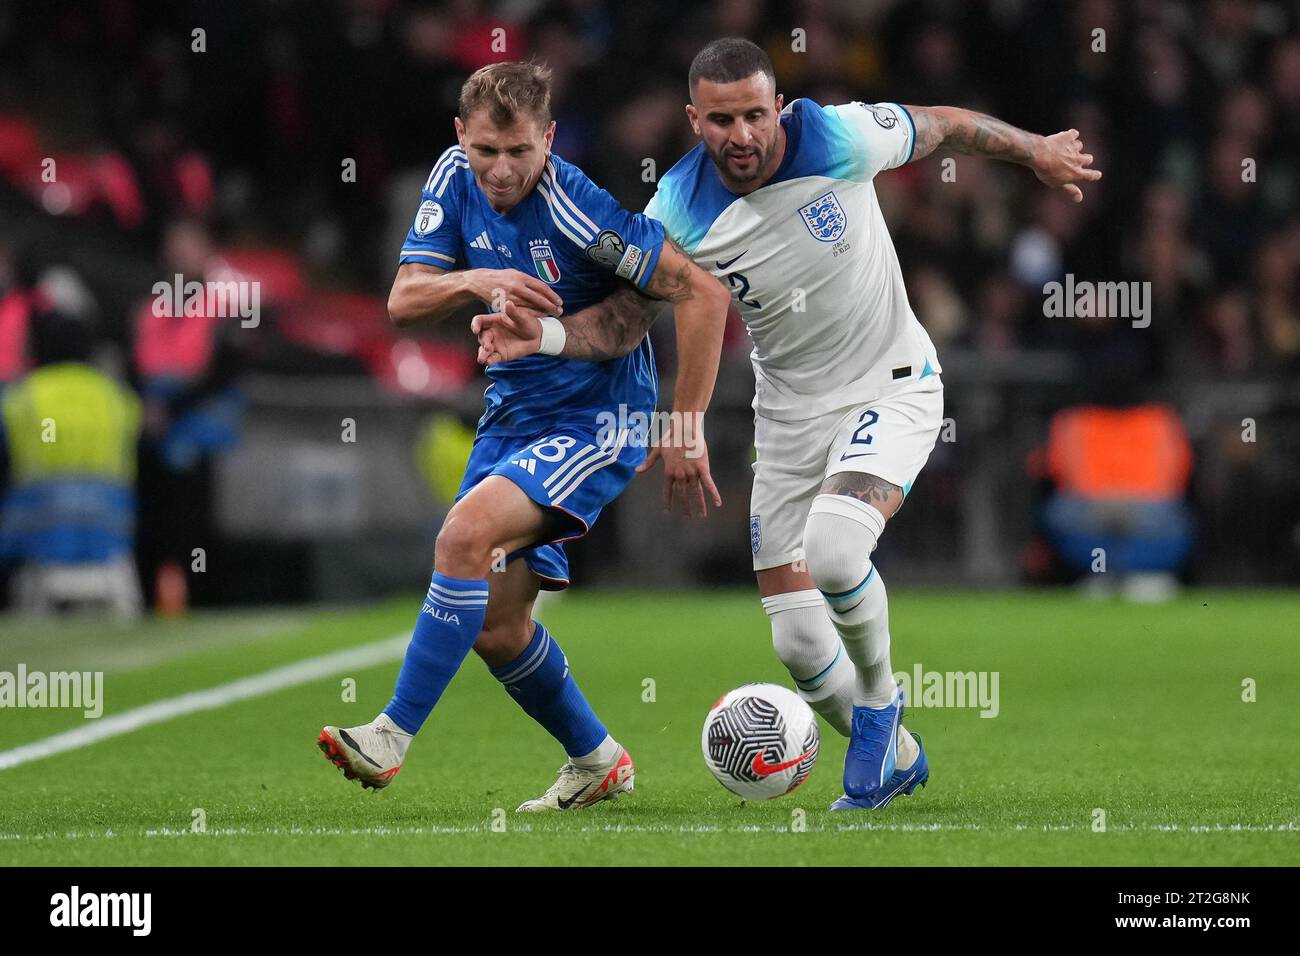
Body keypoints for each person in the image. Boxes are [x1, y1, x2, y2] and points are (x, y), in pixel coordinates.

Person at [476, 38, 1101, 809]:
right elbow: (624, 323)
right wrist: (538, 335)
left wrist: (1036, 150)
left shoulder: (838, 135)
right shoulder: (676, 207)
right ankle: (899, 756)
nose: (740, 135)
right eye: (720, 120)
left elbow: (944, 125)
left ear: (778, 107)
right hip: (790, 417)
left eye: (753, 115)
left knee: (838, 552)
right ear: (693, 120)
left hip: (893, 387)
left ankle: (878, 708)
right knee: (798, 641)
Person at [319, 60, 730, 811]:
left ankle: (389, 737)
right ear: (460, 138)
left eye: (519, 153)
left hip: (599, 416)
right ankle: (597, 760)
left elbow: (698, 289)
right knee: (499, 626)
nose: (501, 170)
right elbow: (404, 300)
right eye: (485, 151)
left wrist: (687, 422)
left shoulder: (579, 207)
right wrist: (477, 281)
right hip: (514, 412)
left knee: (461, 538)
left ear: (547, 139)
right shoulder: (451, 176)